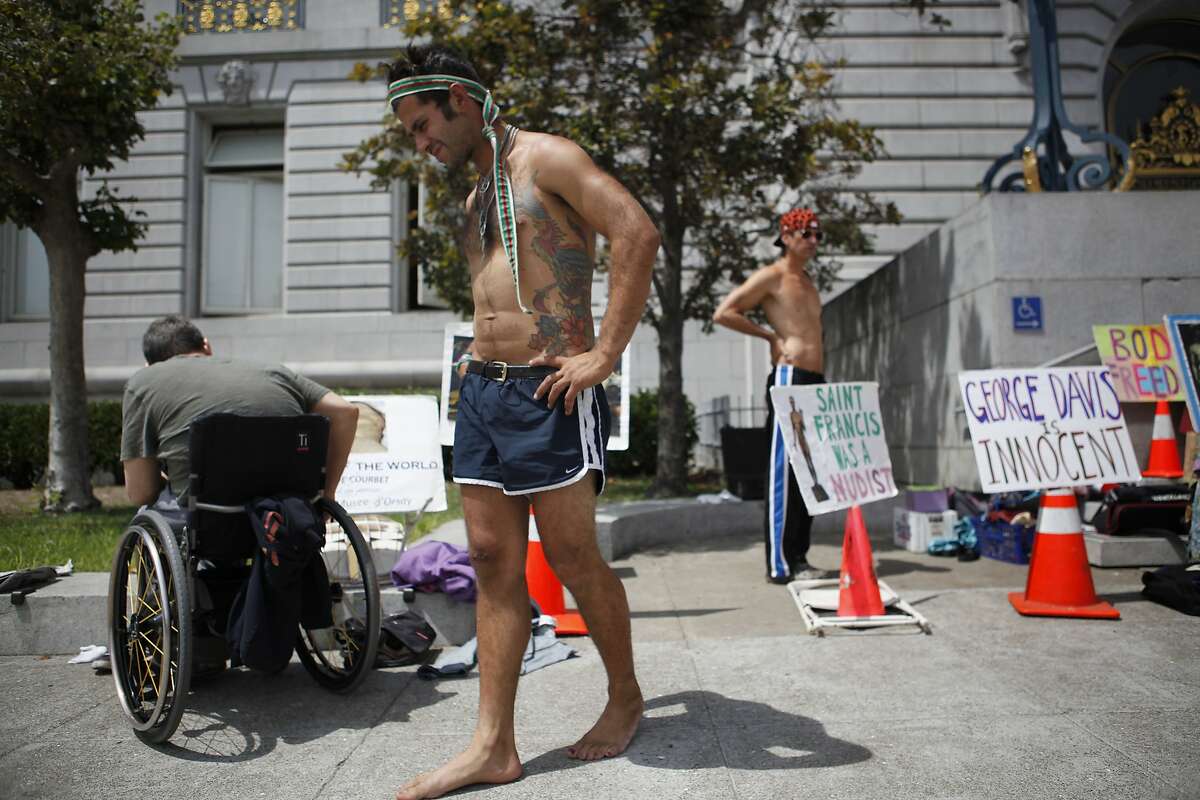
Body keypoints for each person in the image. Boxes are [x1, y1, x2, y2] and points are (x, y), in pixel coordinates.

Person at [387, 44, 659, 800]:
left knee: (572, 558)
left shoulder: (549, 160)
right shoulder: (477, 194)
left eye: (421, 125)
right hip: (481, 393)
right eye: (410, 133)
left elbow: (636, 232)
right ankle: (493, 746)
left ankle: (625, 695)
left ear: (458, 96)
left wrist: (604, 354)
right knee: (489, 560)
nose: (420, 143)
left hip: (551, 391)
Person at [120, 315, 359, 511]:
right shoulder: (272, 371)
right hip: (289, 507)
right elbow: (345, 412)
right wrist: (327, 494)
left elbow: (141, 492)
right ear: (206, 345)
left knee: (148, 512)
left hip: (208, 513)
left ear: (151, 365)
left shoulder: (144, 382)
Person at [713, 208, 830, 584]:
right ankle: (779, 564)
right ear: (788, 236)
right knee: (783, 471)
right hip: (789, 377)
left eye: (817, 235)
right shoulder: (773, 276)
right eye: (807, 234)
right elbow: (724, 312)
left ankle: (800, 557)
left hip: (814, 380)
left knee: (811, 473)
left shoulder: (808, 281)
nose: (814, 241)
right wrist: (769, 336)